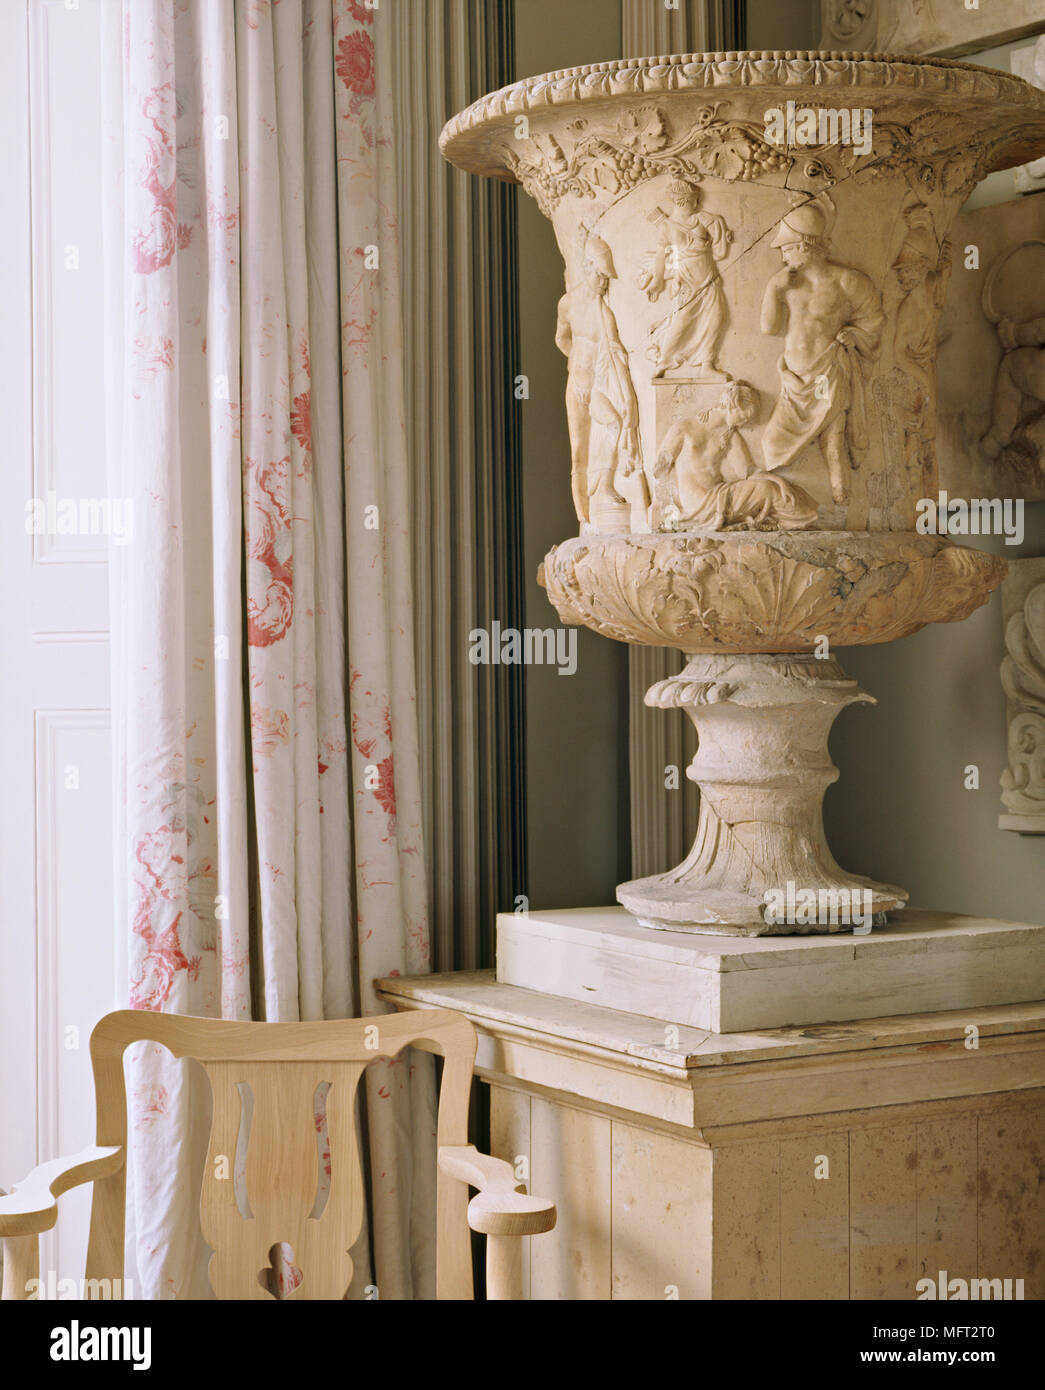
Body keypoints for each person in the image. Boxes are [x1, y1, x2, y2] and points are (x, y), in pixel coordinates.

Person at [761, 202, 884, 504]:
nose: (783, 256)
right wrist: (772, 290)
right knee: (772, 440)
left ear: (805, 246)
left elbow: (874, 319)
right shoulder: (786, 283)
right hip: (794, 378)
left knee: (832, 437)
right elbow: (769, 327)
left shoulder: (847, 281)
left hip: (828, 369)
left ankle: (841, 498)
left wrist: (853, 335)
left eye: (787, 248)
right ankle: (787, 496)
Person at [638, 179, 731, 379]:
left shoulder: (702, 219)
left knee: (716, 317)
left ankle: (706, 364)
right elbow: (662, 255)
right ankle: (663, 363)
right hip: (687, 278)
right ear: (681, 201)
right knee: (682, 320)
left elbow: (720, 252)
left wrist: (721, 234)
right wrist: (657, 280)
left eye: (696, 201)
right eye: (693, 201)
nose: (696, 204)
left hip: (707, 277)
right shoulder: (667, 226)